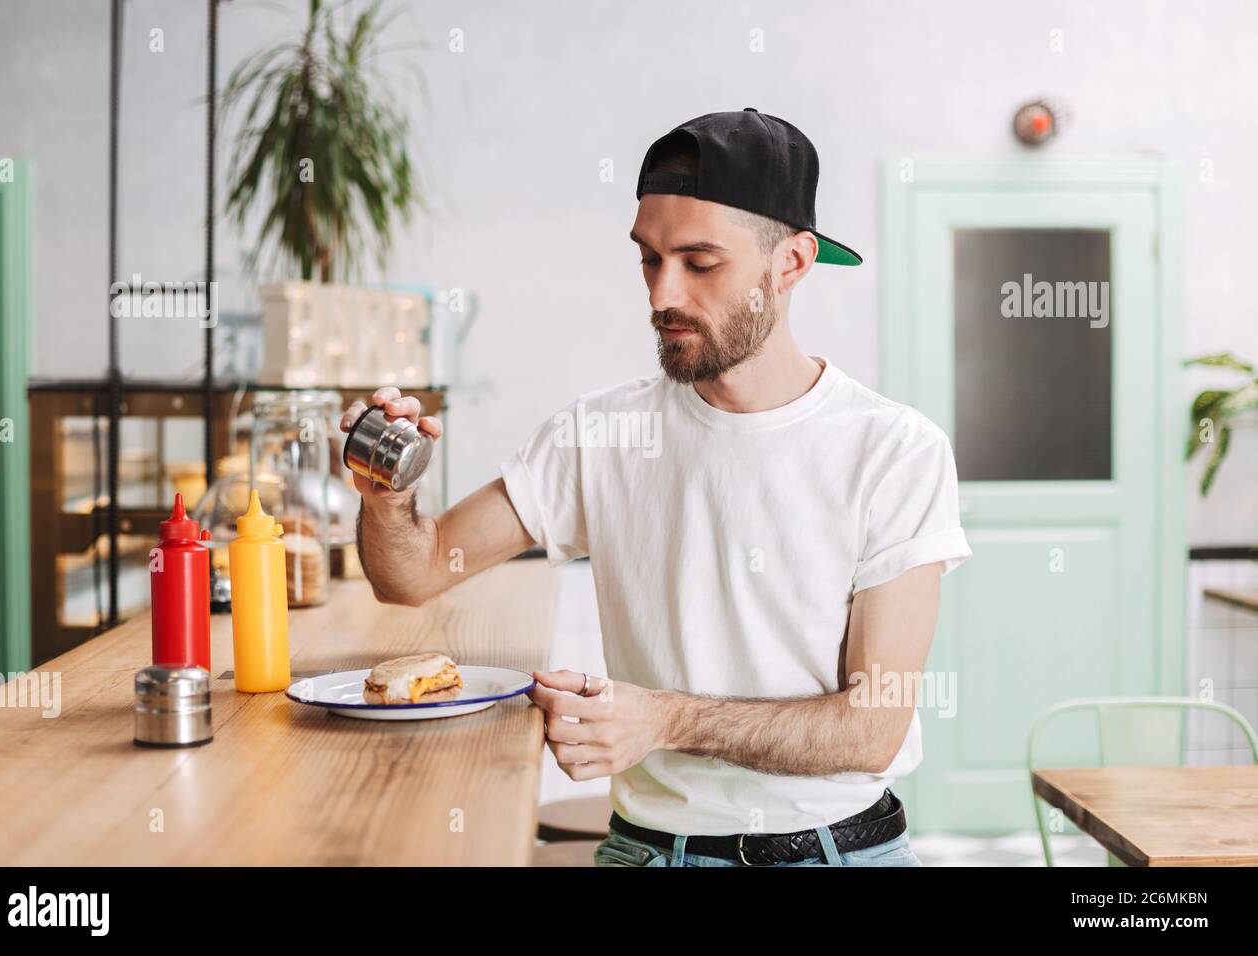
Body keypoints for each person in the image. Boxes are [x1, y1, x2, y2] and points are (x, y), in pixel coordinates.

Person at [340, 108, 972, 867]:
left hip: (840, 853)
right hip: (648, 853)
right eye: (648, 258)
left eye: (700, 263)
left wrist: (662, 720)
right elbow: (412, 573)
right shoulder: (598, 434)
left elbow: (873, 729)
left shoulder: (893, 452)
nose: (660, 295)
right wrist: (388, 493)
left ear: (793, 263)